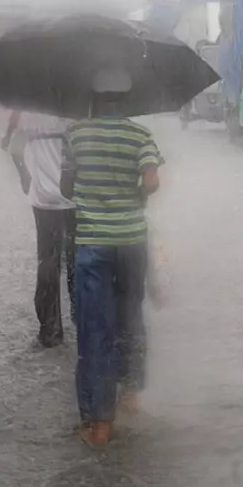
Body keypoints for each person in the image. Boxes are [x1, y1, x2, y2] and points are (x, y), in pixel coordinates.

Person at [66, 69, 162, 447]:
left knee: (95, 331)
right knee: (131, 317)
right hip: (132, 242)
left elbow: (65, 185)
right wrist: (136, 195)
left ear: (92, 98)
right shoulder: (140, 135)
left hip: (92, 243)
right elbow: (152, 180)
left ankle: (99, 424)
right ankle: (131, 393)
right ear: (126, 100)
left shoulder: (75, 133)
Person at [1, 111, 76, 349]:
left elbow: (15, 149)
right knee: (80, 260)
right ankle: (84, 320)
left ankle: (50, 330)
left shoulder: (32, 116)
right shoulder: (78, 112)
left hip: (44, 200)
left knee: (48, 261)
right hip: (77, 198)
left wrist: (25, 175)